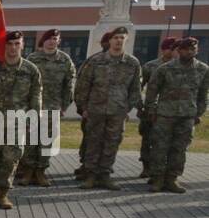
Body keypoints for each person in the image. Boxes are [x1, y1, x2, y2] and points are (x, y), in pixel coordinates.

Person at [75, 26, 143, 189]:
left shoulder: (132, 63)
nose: (119, 40)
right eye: (116, 37)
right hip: (95, 109)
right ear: (110, 40)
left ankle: (104, 175)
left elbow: (135, 88)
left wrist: (128, 109)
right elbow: (83, 85)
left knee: (112, 143)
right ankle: (90, 175)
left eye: (122, 38)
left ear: (126, 40)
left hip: (118, 111)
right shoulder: (96, 61)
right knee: (93, 142)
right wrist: (82, 107)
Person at [0, 31, 42, 210]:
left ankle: (4, 194)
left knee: (11, 159)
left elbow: (36, 96)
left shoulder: (30, 70)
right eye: (9, 44)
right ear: (4, 46)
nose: (13, 48)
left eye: (17, 44)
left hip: (18, 122)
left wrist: (33, 120)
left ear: (22, 45)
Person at [143, 36, 207, 193]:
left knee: (179, 149)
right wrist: (151, 110)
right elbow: (152, 91)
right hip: (165, 115)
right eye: (186, 49)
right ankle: (157, 179)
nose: (190, 52)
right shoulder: (165, 68)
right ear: (179, 51)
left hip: (187, 116)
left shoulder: (203, 69)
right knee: (160, 148)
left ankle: (172, 179)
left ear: (197, 50)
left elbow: (203, 94)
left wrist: (197, 113)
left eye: (193, 49)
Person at [23, 28, 76, 186]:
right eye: (49, 38)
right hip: (33, 107)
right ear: (43, 40)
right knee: (30, 141)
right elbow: (25, 83)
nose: (52, 41)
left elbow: (69, 84)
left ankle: (40, 172)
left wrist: (64, 105)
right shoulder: (33, 58)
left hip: (53, 106)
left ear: (59, 41)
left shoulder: (65, 60)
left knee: (47, 142)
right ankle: (28, 172)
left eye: (55, 38)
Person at [138, 38, 178, 180]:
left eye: (175, 48)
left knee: (167, 142)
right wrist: (141, 107)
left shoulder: (179, 67)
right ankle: (146, 167)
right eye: (170, 48)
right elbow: (139, 87)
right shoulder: (150, 66)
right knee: (148, 140)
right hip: (151, 110)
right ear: (164, 49)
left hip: (171, 112)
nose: (173, 51)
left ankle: (163, 171)